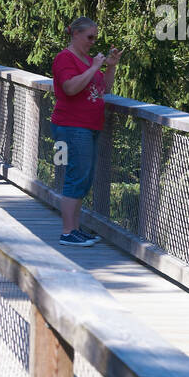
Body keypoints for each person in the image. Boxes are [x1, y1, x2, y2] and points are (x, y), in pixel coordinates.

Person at [51, 17, 121, 246]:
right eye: (90, 37)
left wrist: (109, 67)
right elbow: (70, 88)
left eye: (95, 37)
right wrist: (93, 68)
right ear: (76, 34)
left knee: (83, 178)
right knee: (76, 177)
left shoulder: (88, 60)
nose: (93, 42)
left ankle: (74, 229)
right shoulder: (65, 58)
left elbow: (104, 88)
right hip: (72, 125)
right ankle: (67, 232)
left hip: (88, 125)